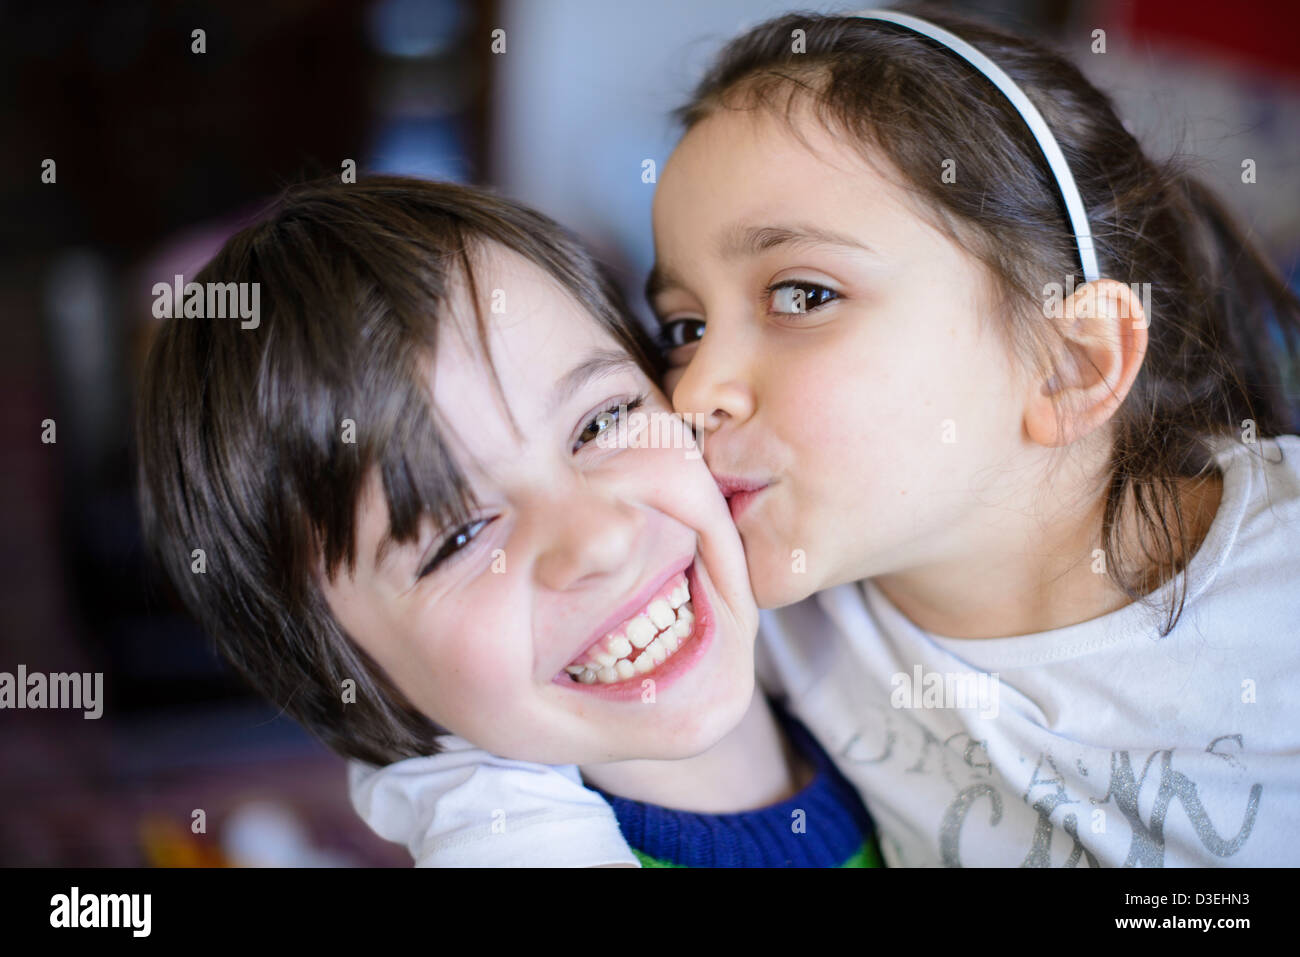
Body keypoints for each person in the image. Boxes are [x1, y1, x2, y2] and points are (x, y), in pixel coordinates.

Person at [350, 8, 1300, 866]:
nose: (695, 393)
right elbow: (453, 728)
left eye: (802, 295)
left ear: (1070, 360)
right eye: (683, 329)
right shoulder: (775, 608)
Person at [135, 175, 881, 867]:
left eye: (601, 422)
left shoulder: (888, 646)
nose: (600, 538)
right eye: (458, 539)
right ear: (347, 678)